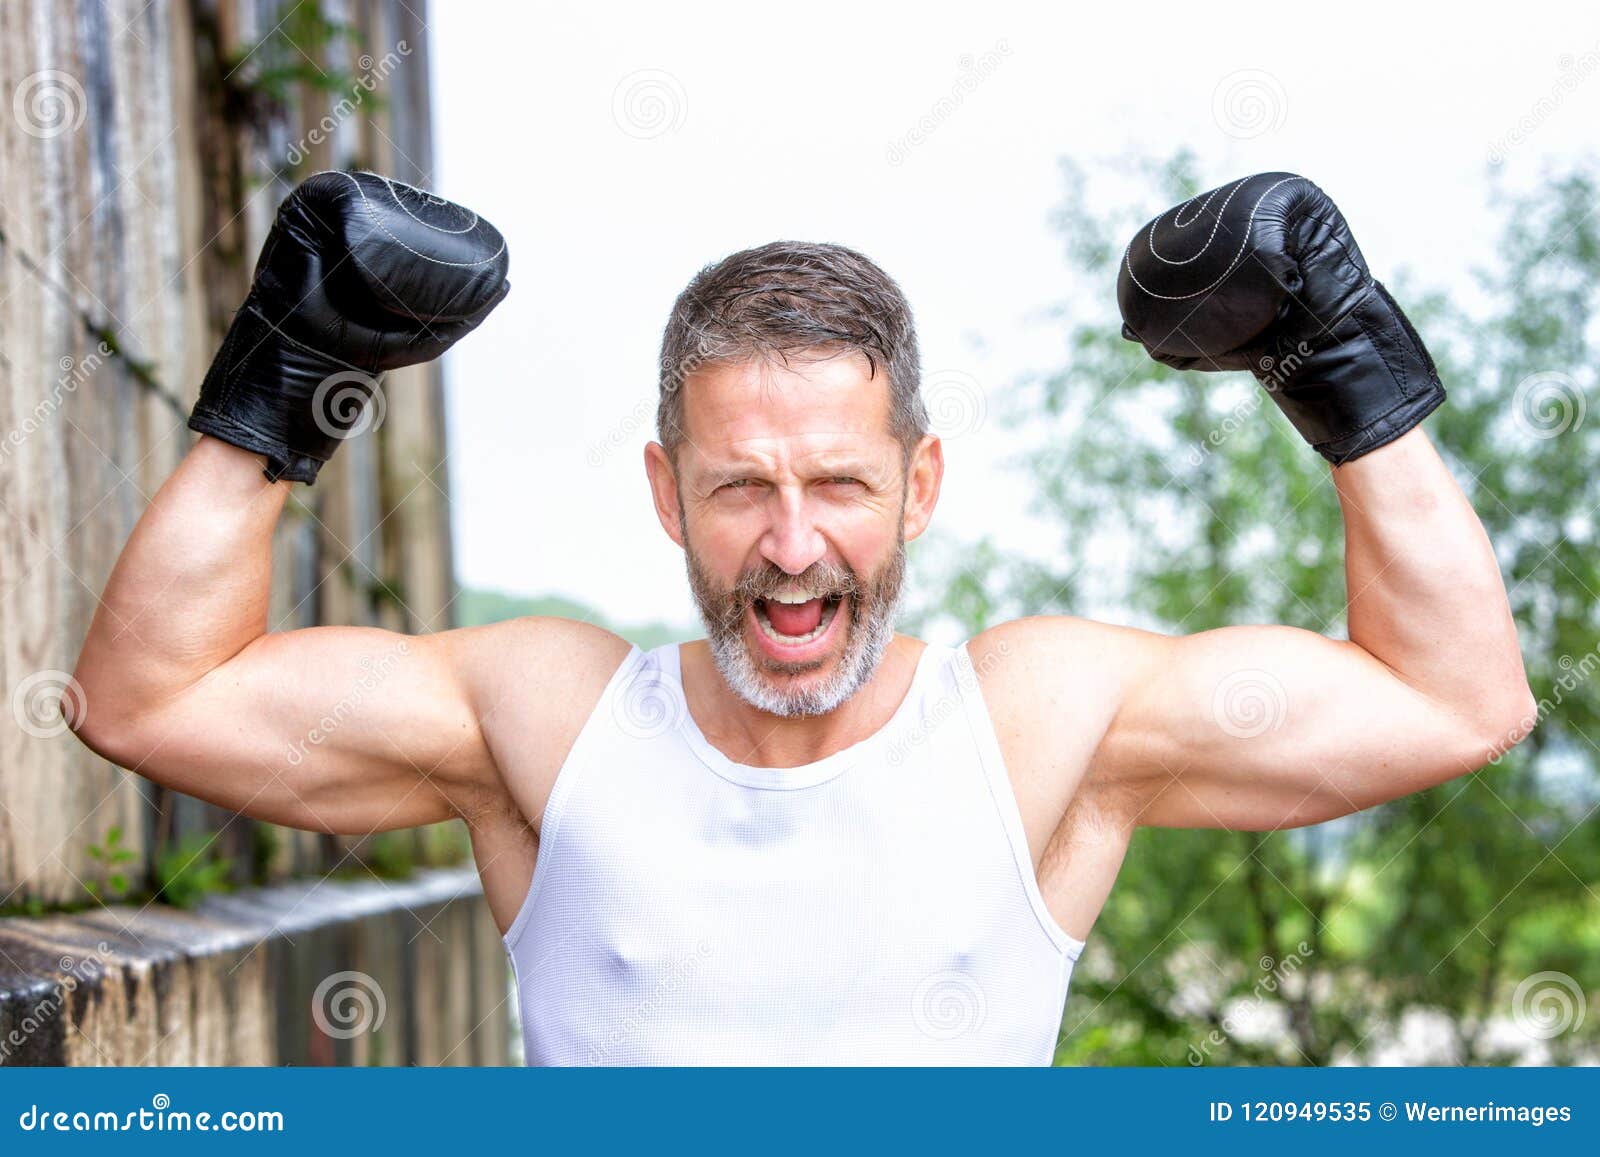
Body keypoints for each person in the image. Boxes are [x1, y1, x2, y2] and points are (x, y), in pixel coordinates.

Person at [69, 169, 1536, 1065]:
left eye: (839, 482)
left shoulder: (1036, 723)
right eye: (738, 488)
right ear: (663, 491)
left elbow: (1457, 700)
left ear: (920, 485)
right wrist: (289, 369)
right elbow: (153, 700)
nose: (788, 546)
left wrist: (1339, 366)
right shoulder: (548, 716)